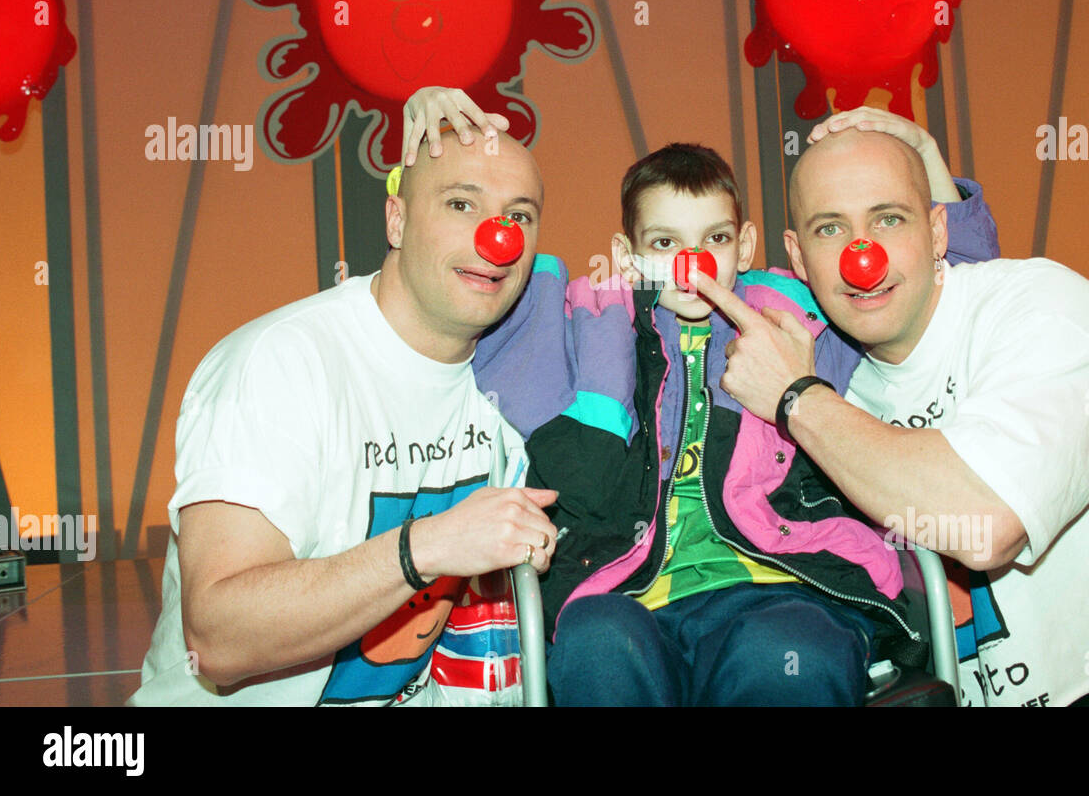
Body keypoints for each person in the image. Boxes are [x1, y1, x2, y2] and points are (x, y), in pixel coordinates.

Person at [402, 87, 1000, 704]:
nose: (692, 263)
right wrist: (421, 123)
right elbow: (465, 293)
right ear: (626, 256)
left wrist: (925, 155)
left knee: (781, 654)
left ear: (743, 246)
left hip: (789, 585)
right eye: (665, 244)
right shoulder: (586, 323)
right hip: (626, 591)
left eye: (713, 240)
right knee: (596, 646)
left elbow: (947, 283)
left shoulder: (802, 316)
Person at [687, 112, 1089, 706]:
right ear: (796, 257)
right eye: (829, 229)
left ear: (937, 231)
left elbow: (987, 522)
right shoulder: (842, 388)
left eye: (888, 219)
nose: (860, 256)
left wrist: (796, 396)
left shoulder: (1043, 307)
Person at [129, 128, 560, 706]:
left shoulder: (518, 378)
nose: (498, 238)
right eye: (461, 204)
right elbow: (217, 638)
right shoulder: (280, 363)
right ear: (397, 221)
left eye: (520, 215)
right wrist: (423, 548)